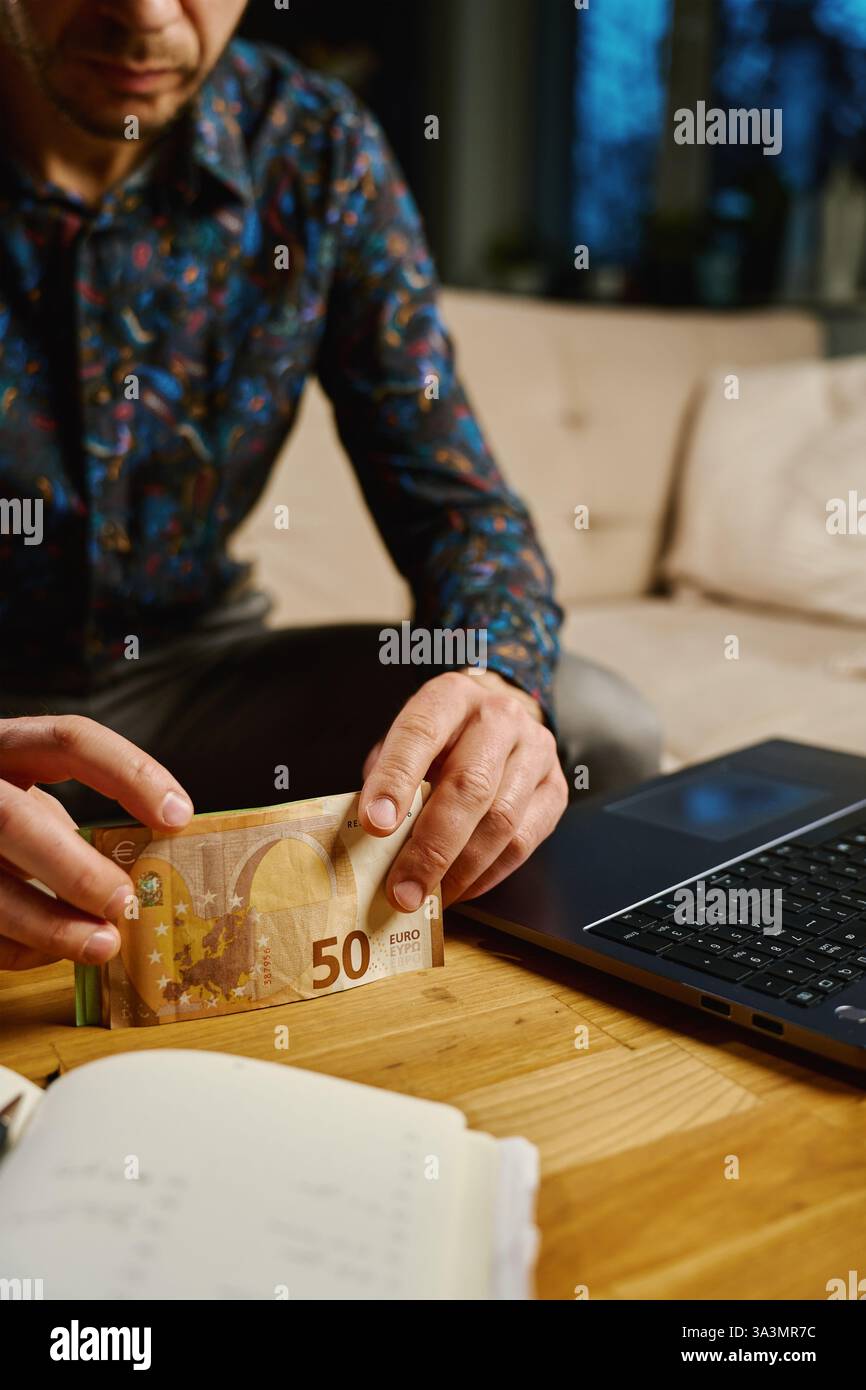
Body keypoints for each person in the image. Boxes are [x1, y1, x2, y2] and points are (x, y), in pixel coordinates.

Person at [0, 0, 661, 974]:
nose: (145, 13)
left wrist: (498, 685)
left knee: (582, 728)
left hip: (193, 691)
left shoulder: (315, 150)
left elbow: (458, 505)